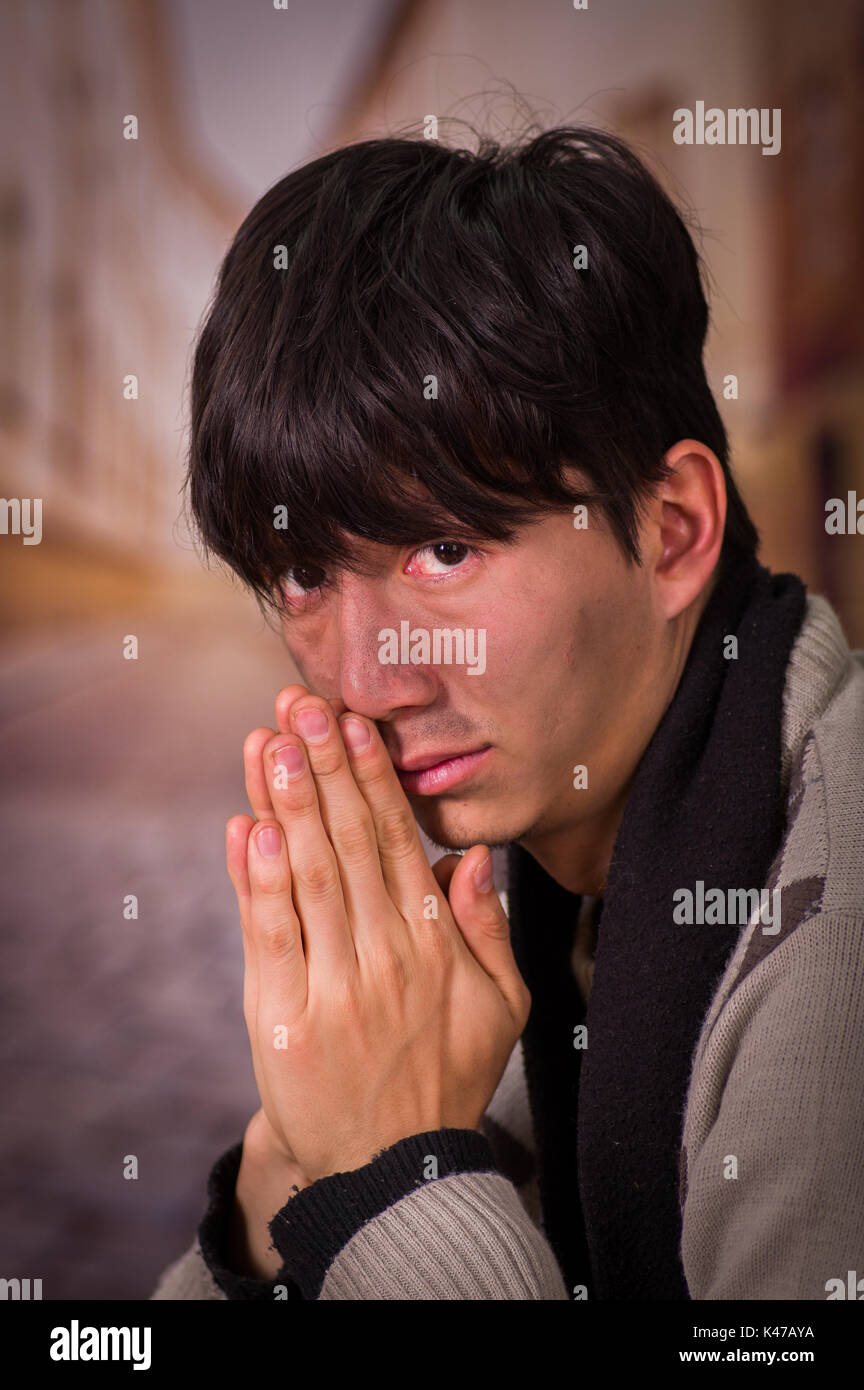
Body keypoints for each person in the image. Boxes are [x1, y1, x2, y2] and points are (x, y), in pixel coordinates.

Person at [151, 127, 864, 1301]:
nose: (372, 680)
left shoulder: (831, 946)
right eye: (305, 575)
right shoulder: (508, 922)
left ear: (674, 529)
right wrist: (284, 1176)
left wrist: (397, 1177)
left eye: (442, 549)